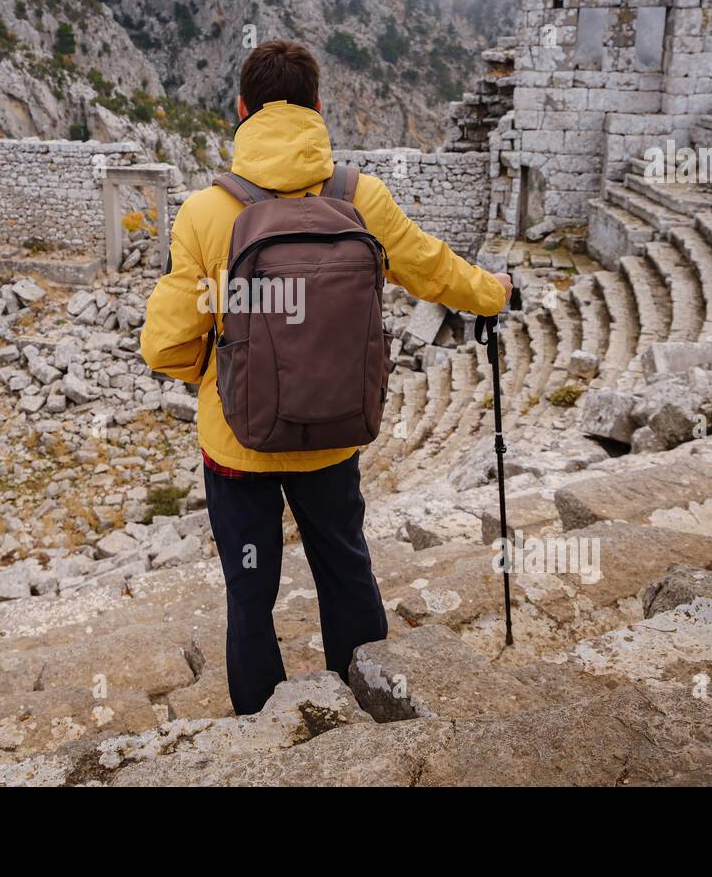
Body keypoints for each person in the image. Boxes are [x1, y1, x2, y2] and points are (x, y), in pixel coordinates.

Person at [140, 39, 511, 715]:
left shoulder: (205, 213)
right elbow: (433, 267)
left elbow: (164, 345)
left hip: (238, 444)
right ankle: (375, 700)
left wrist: (215, 368)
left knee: (250, 591)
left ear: (241, 110)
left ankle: (264, 727)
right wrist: (495, 292)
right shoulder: (359, 196)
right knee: (344, 565)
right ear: (318, 106)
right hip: (335, 432)